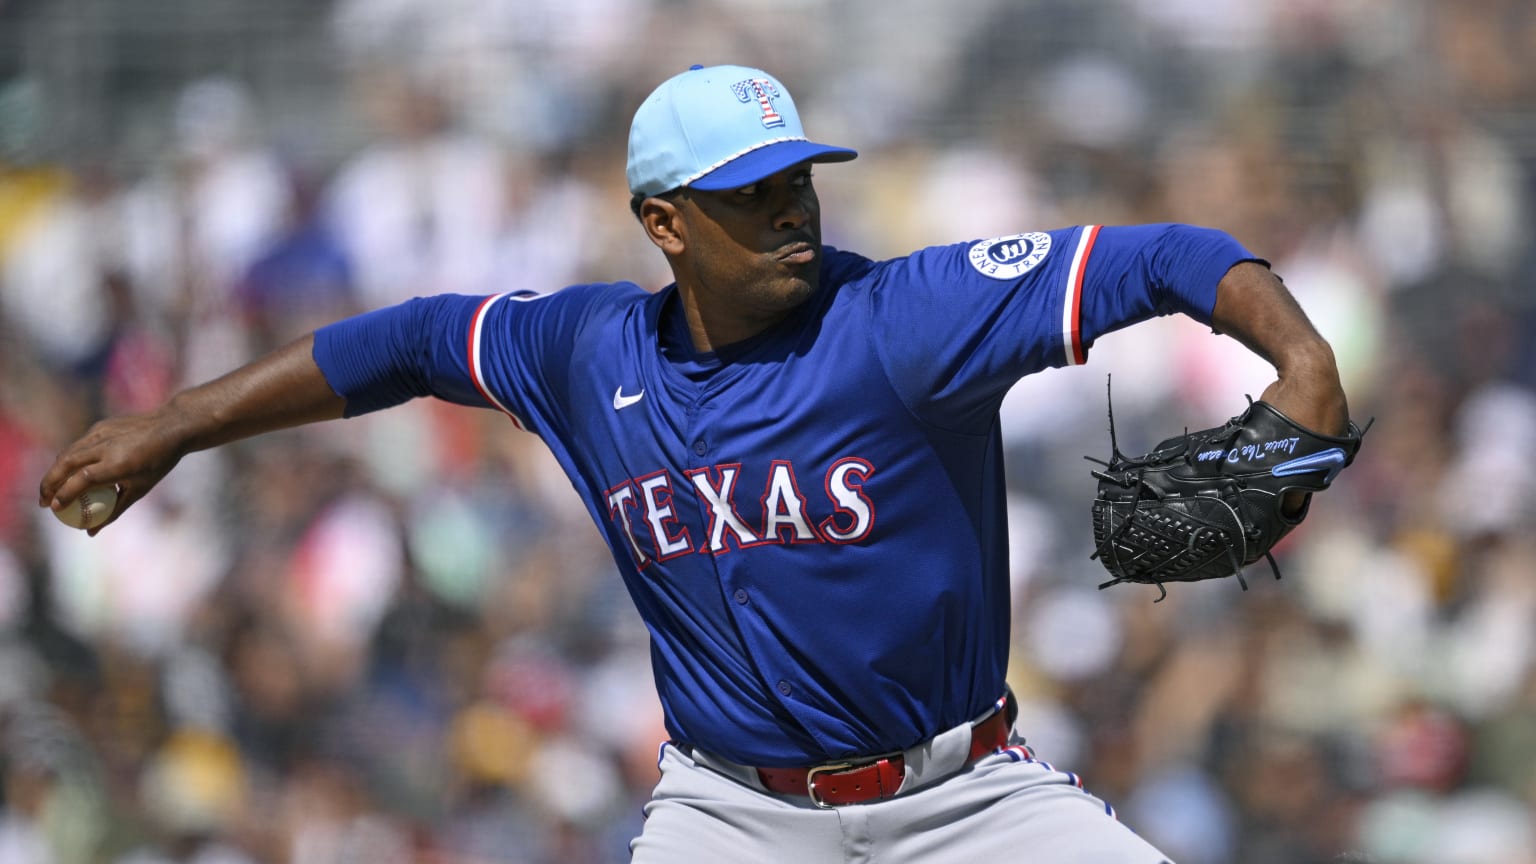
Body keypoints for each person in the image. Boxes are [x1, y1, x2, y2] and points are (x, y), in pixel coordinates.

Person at [40, 64, 1351, 863]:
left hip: (968, 804)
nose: (791, 211)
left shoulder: (905, 319)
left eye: (797, 181)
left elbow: (1162, 256)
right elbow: (411, 344)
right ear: (665, 223)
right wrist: (175, 422)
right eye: (750, 196)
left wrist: (1301, 363)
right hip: (734, 820)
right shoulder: (582, 354)